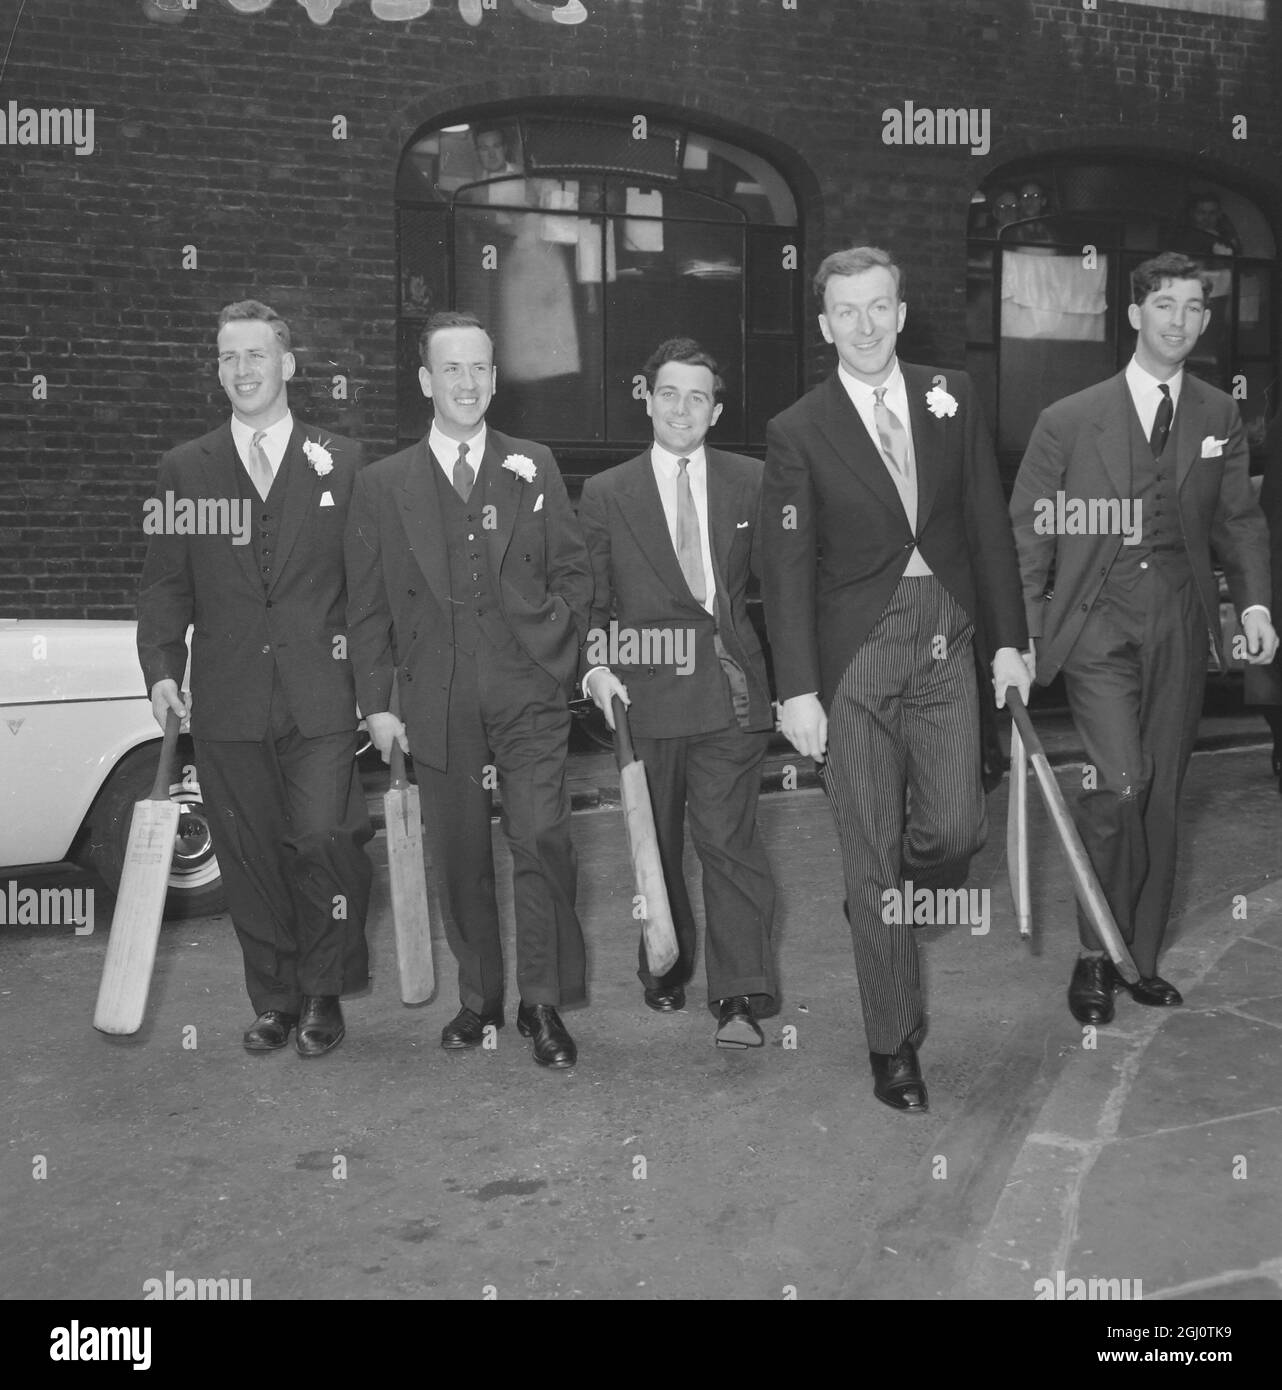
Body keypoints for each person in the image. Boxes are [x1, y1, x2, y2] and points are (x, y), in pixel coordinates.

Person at [759, 246, 1029, 1114]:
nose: (865, 326)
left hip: (948, 640)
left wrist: (1009, 642)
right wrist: (795, 688)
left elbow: (988, 523)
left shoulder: (951, 398)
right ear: (825, 323)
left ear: (902, 312)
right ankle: (892, 1044)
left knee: (956, 831)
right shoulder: (798, 430)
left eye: (879, 307)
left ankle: (886, 904)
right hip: (854, 662)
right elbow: (786, 564)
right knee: (868, 857)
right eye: (846, 311)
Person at [1010, 252, 1277, 1026]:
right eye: (1165, 305)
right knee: (1119, 783)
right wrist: (1022, 638)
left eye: (1195, 308)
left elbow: (1238, 521)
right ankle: (1098, 955)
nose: (1180, 321)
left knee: (1160, 793)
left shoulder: (1217, 416)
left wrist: (1254, 609)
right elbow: (1030, 535)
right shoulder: (1068, 418)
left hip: (1181, 626)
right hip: (1097, 626)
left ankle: (1141, 960)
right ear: (1134, 315)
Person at [344, 310, 592, 1069]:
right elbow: (368, 604)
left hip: (527, 690)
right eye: (450, 368)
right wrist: (379, 703)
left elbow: (574, 572)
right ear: (426, 380)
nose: (466, 382)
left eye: (479, 368)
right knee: (459, 854)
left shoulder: (534, 464)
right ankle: (479, 997)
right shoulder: (383, 485)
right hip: (436, 696)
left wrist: (557, 647)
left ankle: (542, 1003)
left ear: (494, 378)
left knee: (541, 836)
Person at [137, 299, 372, 1057]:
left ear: (288, 365)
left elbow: (369, 587)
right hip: (231, 697)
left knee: (325, 838)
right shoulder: (186, 468)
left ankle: (324, 990)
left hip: (323, 695)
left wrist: (379, 690)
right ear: (218, 370)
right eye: (229, 358)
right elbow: (165, 586)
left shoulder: (343, 459)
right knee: (250, 854)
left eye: (257, 355)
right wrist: (162, 670)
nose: (243, 370)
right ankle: (275, 999)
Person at [579, 338, 777, 1047]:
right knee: (654, 843)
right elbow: (592, 599)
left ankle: (739, 995)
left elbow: (781, 588)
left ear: (715, 410)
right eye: (669, 393)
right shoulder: (606, 493)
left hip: (731, 691)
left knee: (728, 843)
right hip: (647, 695)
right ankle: (663, 959)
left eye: (698, 396)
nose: (682, 408)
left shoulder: (753, 480)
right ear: (647, 397)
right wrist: (595, 667)